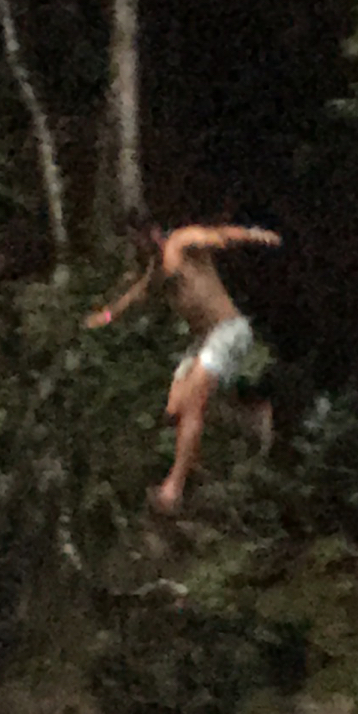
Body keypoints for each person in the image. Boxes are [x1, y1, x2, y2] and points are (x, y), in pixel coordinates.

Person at [86, 217, 281, 512]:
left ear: (152, 235)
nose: (137, 249)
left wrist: (254, 234)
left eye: (139, 241)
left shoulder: (181, 241)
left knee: (192, 404)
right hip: (204, 340)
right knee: (175, 408)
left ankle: (172, 491)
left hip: (228, 331)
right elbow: (135, 296)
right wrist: (107, 317)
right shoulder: (157, 272)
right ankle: (249, 417)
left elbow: (216, 236)